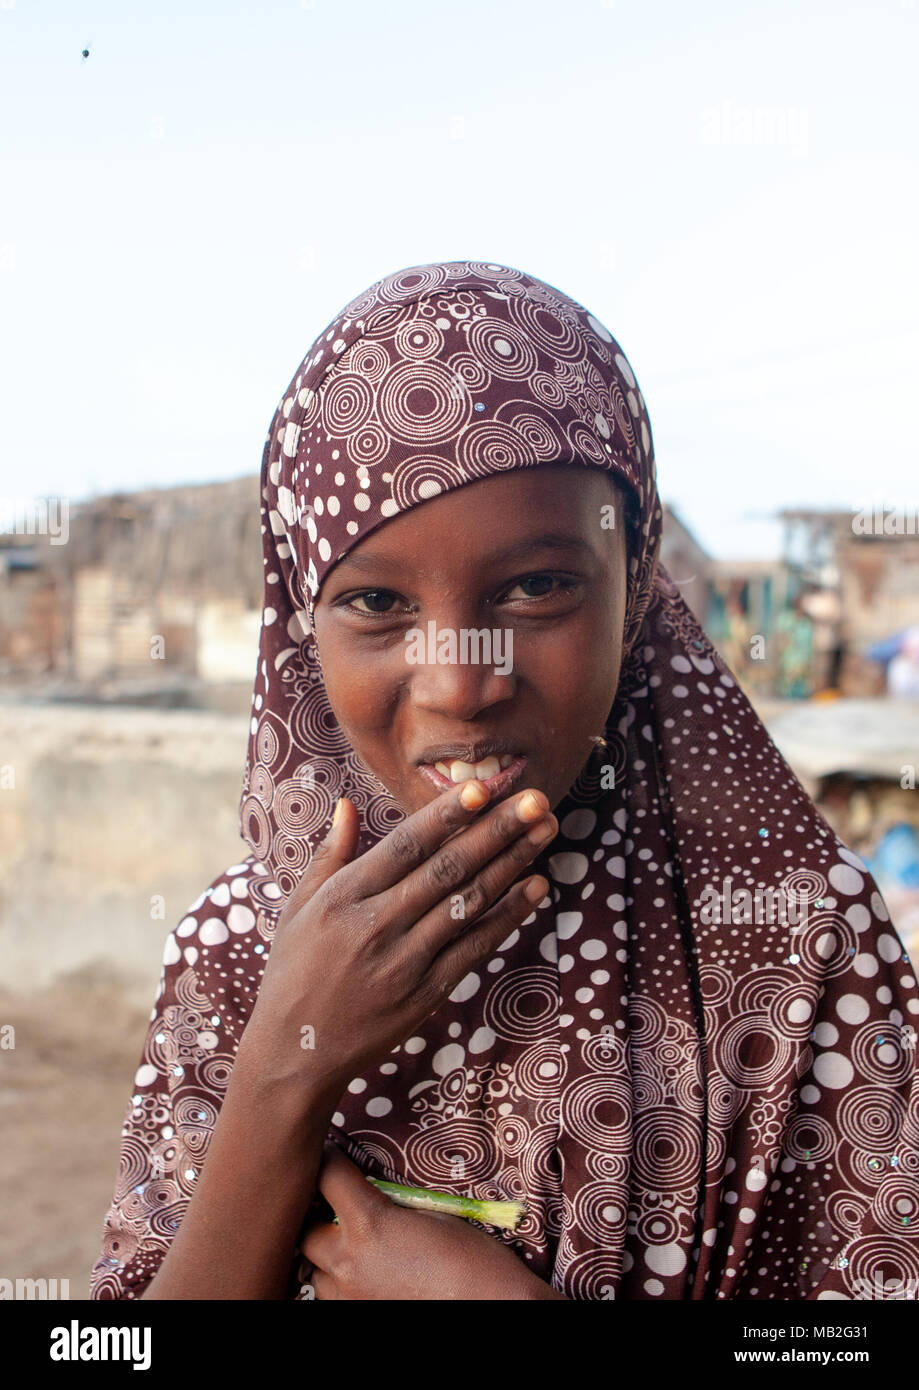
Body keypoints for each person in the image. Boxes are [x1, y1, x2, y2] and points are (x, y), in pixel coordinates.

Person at [90, 260, 919, 1301]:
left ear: (634, 589)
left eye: (536, 588)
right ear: (303, 622)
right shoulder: (242, 954)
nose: (461, 684)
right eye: (378, 602)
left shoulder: (797, 947)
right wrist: (282, 1071)